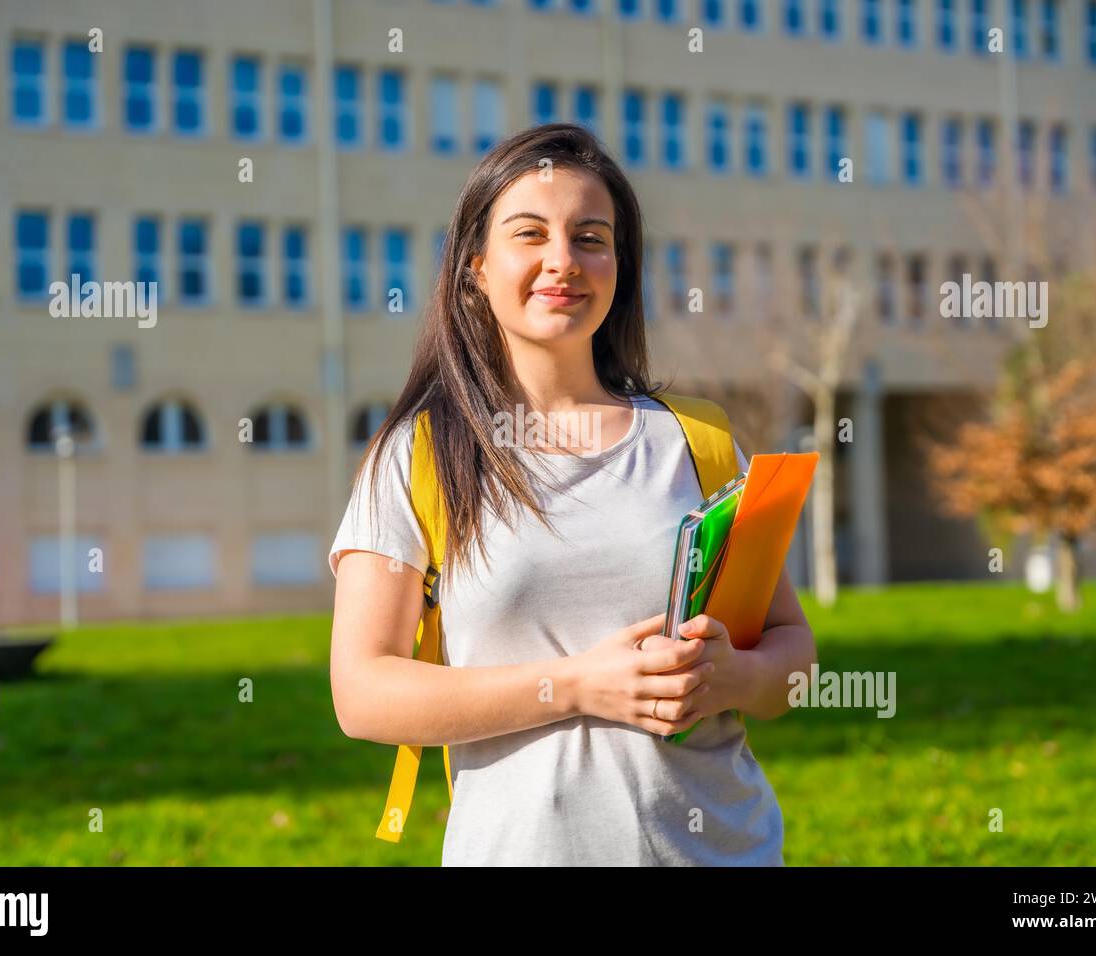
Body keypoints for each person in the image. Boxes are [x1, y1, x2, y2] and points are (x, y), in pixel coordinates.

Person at [329, 122, 817, 866]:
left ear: (619, 264)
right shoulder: (419, 455)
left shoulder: (700, 441)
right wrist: (578, 685)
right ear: (476, 269)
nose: (564, 261)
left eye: (592, 237)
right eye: (531, 234)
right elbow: (362, 694)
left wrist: (737, 676)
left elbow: (794, 659)